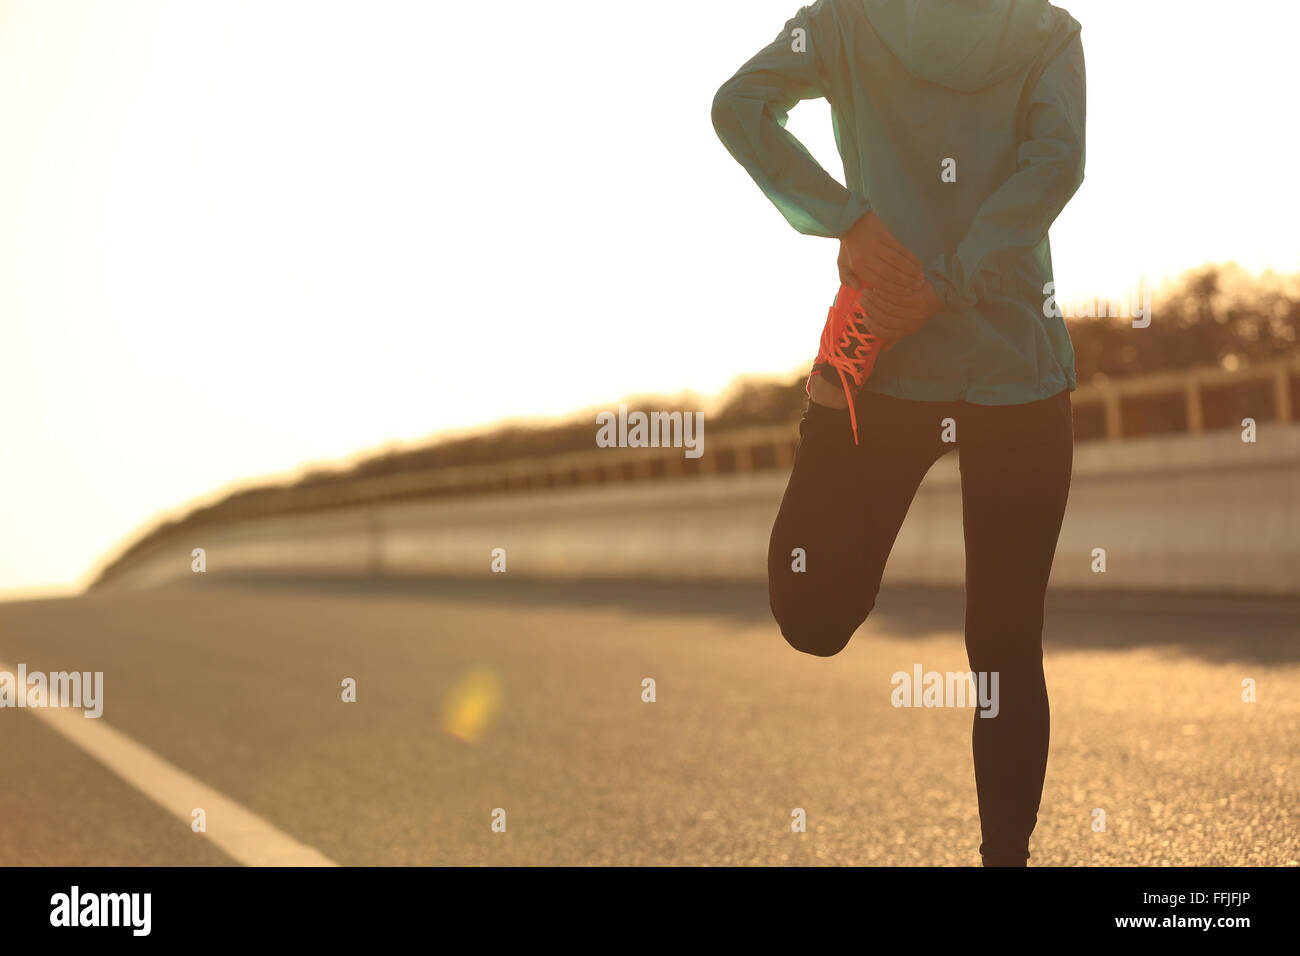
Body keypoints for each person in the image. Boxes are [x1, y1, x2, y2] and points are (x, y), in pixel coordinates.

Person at [711, 0, 1086, 866]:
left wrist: (843, 218)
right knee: (1003, 645)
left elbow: (740, 106)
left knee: (819, 613)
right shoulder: (1045, 30)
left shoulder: (840, 22)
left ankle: (1004, 861)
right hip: (1013, 365)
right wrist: (949, 276)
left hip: (887, 369)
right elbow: (1055, 165)